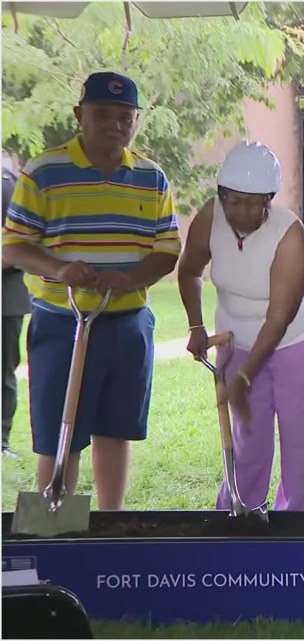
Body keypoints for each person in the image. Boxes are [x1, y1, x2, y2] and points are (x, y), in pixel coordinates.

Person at [0, 71, 180, 510]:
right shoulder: (43, 172)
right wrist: (59, 269)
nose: (115, 125)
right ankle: (54, 521)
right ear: (80, 115)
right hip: (62, 323)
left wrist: (131, 280)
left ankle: (110, 523)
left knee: (116, 429)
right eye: (102, 114)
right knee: (59, 432)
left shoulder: (152, 178)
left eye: (125, 116)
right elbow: (13, 245)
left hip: (128, 324)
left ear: (136, 119)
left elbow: (167, 251)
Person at [178, 141, 304, 511]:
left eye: (254, 202)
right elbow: (188, 271)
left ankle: (294, 525)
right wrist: (196, 326)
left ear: (269, 199)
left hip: (297, 343)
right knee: (248, 439)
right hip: (236, 341)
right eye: (234, 201)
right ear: (221, 195)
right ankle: (239, 515)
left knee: (300, 442)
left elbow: (280, 315)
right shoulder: (209, 219)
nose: (243, 211)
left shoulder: (288, 233)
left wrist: (246, 375)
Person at [2, 155, 28, 459]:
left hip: (5, 297)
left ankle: (2, 440)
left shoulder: (8, 184)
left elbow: (21, 244)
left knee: (3, 370)